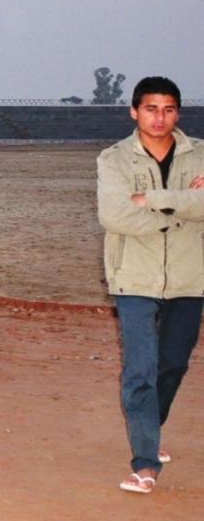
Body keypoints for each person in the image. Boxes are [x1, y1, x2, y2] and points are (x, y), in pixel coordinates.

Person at [98, 77, 204, 494]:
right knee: (140, 370)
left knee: (173, 364)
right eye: (151, 109)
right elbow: (115, 216)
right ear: (134, 111)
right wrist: (183, 204)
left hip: (189, 276)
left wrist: (152, 199)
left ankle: (149, 428)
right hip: (134, 277)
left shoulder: (201, 154)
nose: (159, 118)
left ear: (178, 112)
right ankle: (145, 463)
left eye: (168, 109)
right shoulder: (114, 159)